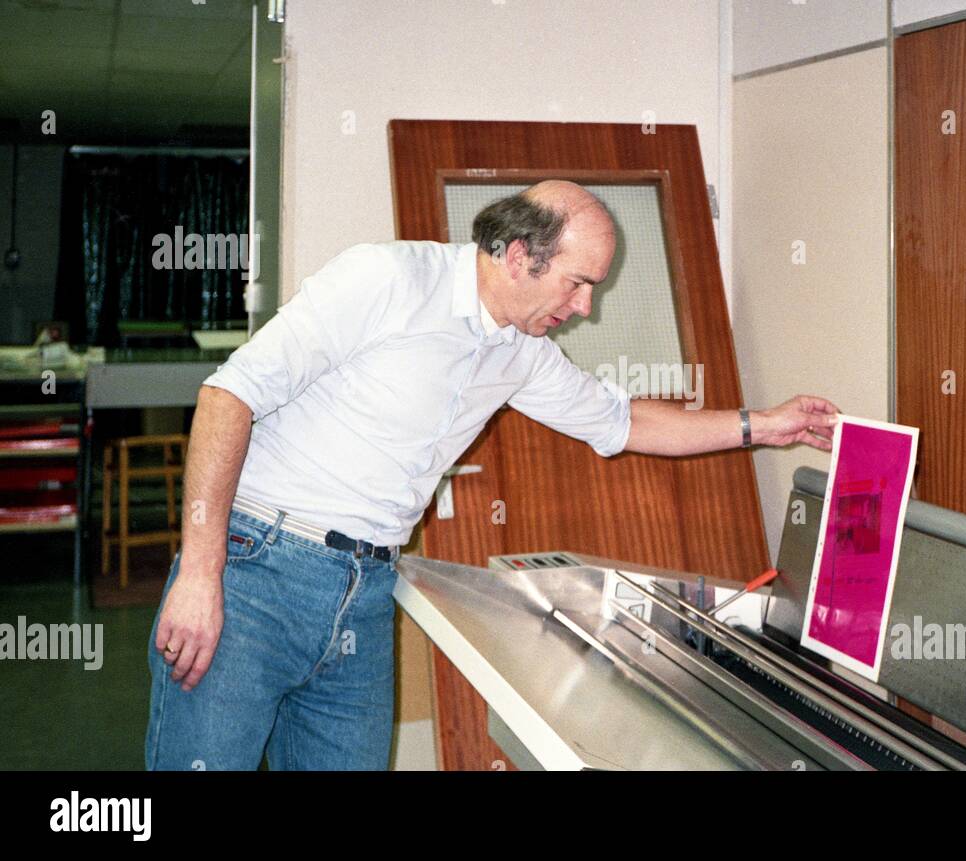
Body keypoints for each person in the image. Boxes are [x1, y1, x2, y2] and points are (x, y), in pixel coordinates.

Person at [145, 180, 840, 770]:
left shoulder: (520, 352)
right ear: (518, 257)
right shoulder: (386, 279)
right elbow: (226, 397)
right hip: (253, 571)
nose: (584, 307)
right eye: (579, 282)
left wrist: (764, 425)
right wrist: (202, 573)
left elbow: (625, 423)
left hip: (363, 593)